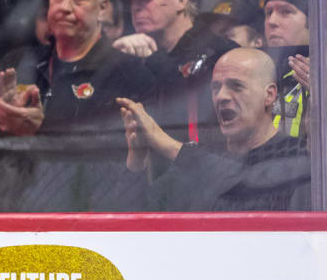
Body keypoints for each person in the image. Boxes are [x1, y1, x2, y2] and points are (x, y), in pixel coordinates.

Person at [118, 48, 309, 210]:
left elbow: (248, 189)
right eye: (216, 87)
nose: (221, 96)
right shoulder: (203, 157)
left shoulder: (296, 155)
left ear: (269, 95)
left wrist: (163, 141)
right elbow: (135, 221)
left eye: (236, 86)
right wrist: (136, 161)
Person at [0, 0, 156, 137]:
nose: (65, 7)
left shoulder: (128, 73)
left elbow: (114, 146)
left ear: (102, 9)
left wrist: (43, 127)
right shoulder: (18, 61)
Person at [110, 0, 236, 145]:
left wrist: (155, 60)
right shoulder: (136, 54)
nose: (137, 6)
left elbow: (192, 108)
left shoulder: (217, 51)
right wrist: (111, 60)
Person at [262, 0, 311, 140]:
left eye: (285, 11)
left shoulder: (321, 72)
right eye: (268, 12)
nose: (271, 21)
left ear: (312, 20)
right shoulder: (256, 72)